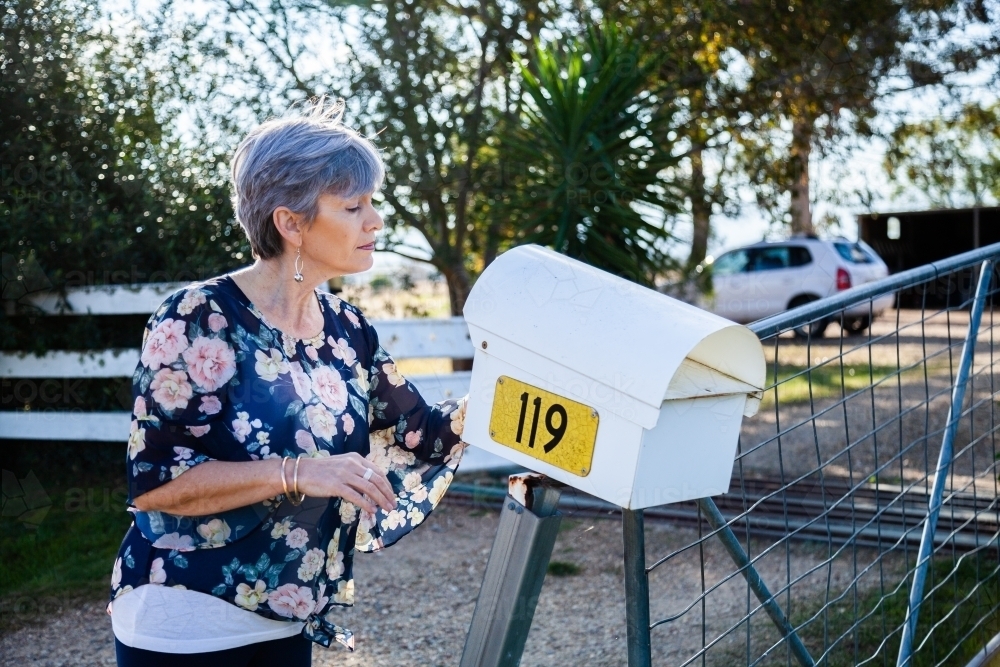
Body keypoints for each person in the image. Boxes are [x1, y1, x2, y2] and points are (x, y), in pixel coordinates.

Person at [107, 99, 467, 666]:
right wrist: (299, 473)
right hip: (187, 620)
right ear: (290, 222)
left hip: (288, 618)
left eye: (372, 203)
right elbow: (156, 483)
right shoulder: (199, 317)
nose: (374, 222)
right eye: (353, 206)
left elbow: (423, 432)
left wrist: (518, 392)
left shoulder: (349, 329)